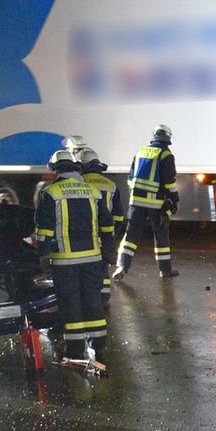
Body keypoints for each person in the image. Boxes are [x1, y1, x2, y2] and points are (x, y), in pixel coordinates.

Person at [35, 147, 110, 362]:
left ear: (56, 170)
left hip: (64, 262)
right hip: (93, 259)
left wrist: (43, 255)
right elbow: (107, 225)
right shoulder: (92, 192)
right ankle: (99, 347)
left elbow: (44, 231)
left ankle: (75, 351)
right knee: (93, 302)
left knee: (71, 305)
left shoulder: (50, 193)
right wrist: (108, 251)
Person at [115, 124, 176, 280]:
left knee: (130, 235)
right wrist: (173, 199)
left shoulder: (141, 151)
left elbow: (130, 177)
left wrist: (135, 195)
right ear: (167, 137)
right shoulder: (166, 155)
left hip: (136, 202)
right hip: (156, 204)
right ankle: (165, 270)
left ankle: (122, 265)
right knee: (161, 235)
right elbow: (169, 182)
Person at [72, 143, 122, 299]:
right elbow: (118, 215)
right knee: (103, 264)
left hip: (86, 231)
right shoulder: (111, 185)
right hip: (106, 231)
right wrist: (113, 234)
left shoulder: (80, 184)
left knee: (86, 265)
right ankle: (104, 297)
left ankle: (88, 297)